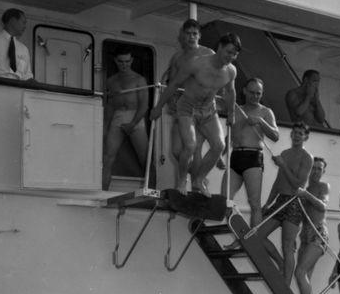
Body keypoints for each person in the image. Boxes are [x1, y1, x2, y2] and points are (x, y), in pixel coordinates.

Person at [149, 33, 238, 195]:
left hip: (209, 110)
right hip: (187, 108)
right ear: (220, 47)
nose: (230, 57)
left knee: (219, 145)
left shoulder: (231, 71)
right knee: (190, 146)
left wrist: (231, 114)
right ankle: (182, 181)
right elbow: (174, 84)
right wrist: (158, 107)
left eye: (234, 54)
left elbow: (230, 92)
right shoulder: (197, 64)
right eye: (229, 52)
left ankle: (199, 180)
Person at [258, 123, 314, 286]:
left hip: (294, 202)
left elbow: (298, 184)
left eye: (301, 133)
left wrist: (282, 165)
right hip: (280, 199)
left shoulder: (307, 157)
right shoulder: (284, 153)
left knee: (287, 245)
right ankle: (280, 262)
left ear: (306, 137)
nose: (297, 136)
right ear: (291, 135)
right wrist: (268, 203)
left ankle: (286, 284)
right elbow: (278, 182)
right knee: (259, 235)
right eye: (295, 132)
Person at [165, 19, 216, 188]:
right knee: (177, 151)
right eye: (188, 33)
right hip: (183, 106)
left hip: (202, 109)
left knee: (194, 147)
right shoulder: (177, 58)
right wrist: (171, 100)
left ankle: (195, 183)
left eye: (195, 33)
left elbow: (217, 79)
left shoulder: (209, 54)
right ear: (182, 36)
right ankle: (197, 179)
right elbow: (172, 82)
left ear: (199, 36)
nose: (191, 37)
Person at [222, 78, 279, 229]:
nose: (255, 96)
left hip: (252, 156)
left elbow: (275, 135)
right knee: (224, 200)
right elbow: (230, 136)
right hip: (235, 156)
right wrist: (220, 155)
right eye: (252, 92)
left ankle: (255, 237)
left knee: (254, 202)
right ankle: (240, 232)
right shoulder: (237, 110)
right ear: (245, 91)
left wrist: (260, 121)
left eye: (258, 93)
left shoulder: (265, 111)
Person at [102, 46, 151, 190]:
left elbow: (144, 106)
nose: (124, 65)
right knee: (107, 159)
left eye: (127, 61)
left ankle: (151, 194)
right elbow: (110, 106)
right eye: (121, 62)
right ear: (115, 61)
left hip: (136, 119)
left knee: (146, 160)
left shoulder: (139, 80)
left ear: (132, 60)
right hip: (117, 117)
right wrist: (105, 128)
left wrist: (132, 124)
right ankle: (103, 193)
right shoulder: (111, 80)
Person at [293, 157, 330, 294]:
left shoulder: (323, 186)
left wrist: (306, 195)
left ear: (323, 172)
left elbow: (322, 206)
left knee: (300, 272)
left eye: (319, 169)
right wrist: (294, 235)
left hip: (318, 232)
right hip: (305, 234)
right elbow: (301, 216)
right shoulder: (305, 190)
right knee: (305, 277)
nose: (316, 172)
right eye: (313, 168)